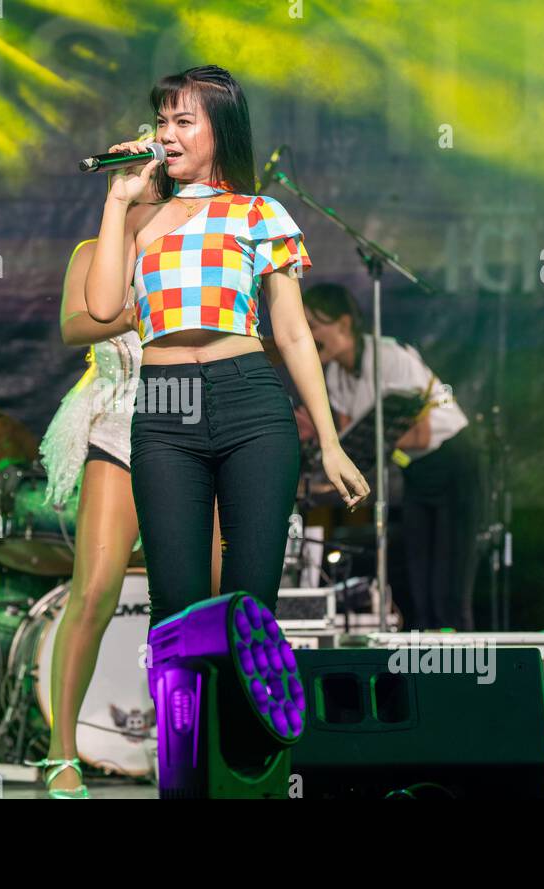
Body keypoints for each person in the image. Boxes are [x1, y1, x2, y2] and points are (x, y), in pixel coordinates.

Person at [82, 65, 369, 631]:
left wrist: (330, 444)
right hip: (166, 402)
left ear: (221, 131)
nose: (166, 135)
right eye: (162, 121)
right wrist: (117, 202)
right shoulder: (142, 217)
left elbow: (290, 335)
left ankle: (243, 720)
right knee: (175, 604)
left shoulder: (261, 214)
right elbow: (100, 304)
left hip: (250, 398)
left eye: (184, 121)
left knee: (250, 605)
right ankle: (185, 723)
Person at [29, 239, 221, 798]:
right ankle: (61, 754)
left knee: (205, 599)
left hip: (189, 417)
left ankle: (194, 749)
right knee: (93, 592)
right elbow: (73, 325)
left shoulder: (191, 243)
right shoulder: (92, 250)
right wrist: (136, 309)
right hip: (118, 421)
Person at [298, 282, 481, 630]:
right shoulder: (335, 376)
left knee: (450, 582)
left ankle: (463, 668)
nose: (310, 334)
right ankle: (429, 668)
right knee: (420, 578)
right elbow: (356, 446)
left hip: (453, 460)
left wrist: (360, 440)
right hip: (415, 473)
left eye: (315, 325)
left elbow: (419, 434)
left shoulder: (390, 357)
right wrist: (321, 437)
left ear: (344, 323)